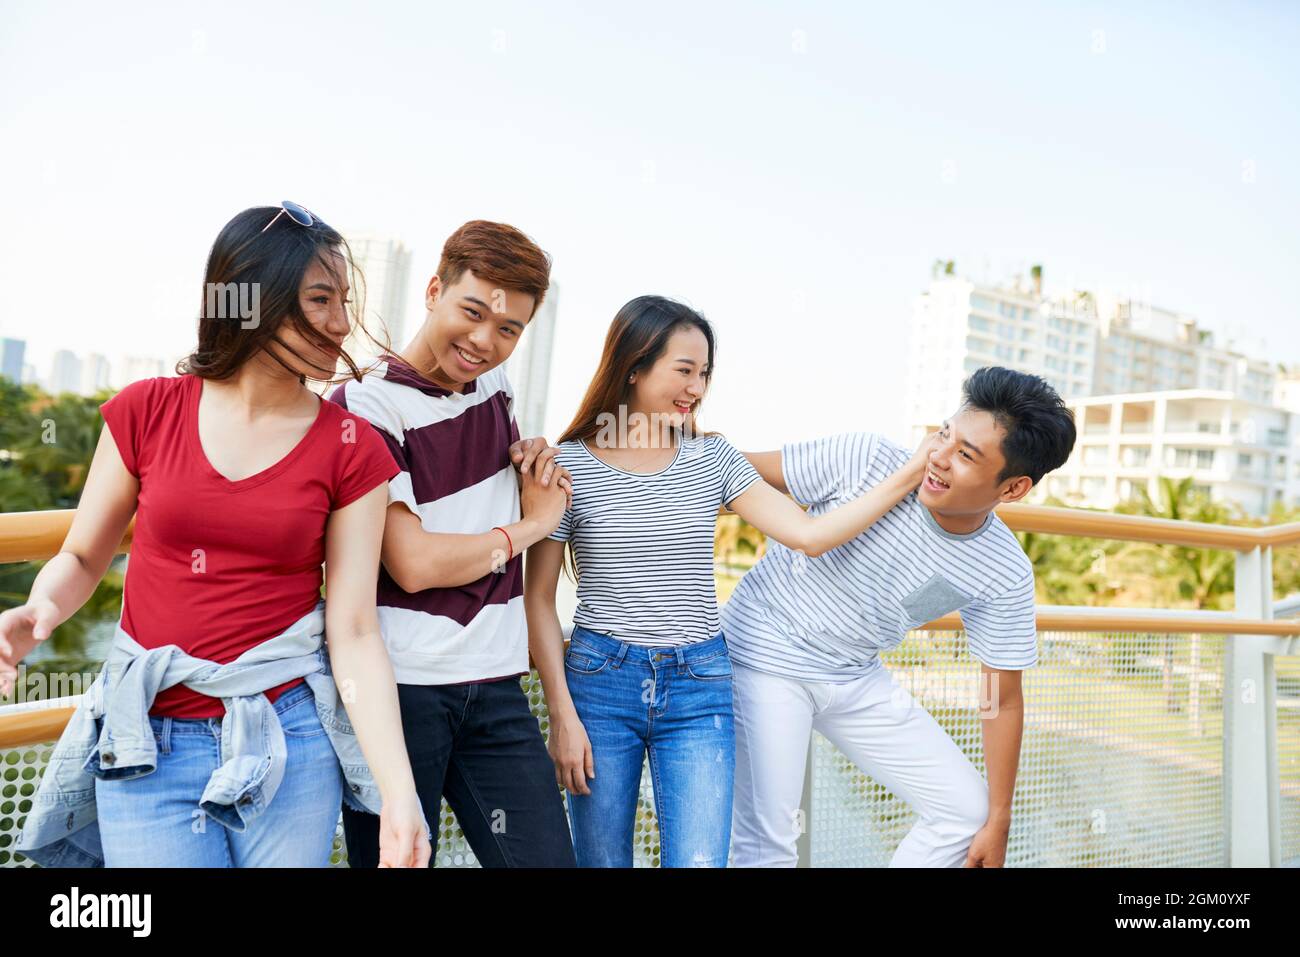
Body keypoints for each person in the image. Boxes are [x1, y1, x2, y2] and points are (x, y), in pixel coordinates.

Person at [0, 202, 430, 868]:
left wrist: (398, 793)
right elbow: (84, 553)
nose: (342, 322)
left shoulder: (352, 447)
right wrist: (40, 609)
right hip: (145, 745)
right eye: (321, 299)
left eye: (345, 299)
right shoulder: (147, 410)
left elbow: (354, 630)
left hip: (288, 741)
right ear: (252, 299)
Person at [524, 295, 934, 867]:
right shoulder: (568, 466)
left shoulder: (713, 457)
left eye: (705, 374)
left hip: (700, 683)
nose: (696, 387)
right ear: (634, 366)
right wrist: (561, 716)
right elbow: (538, 600)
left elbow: (809, 534)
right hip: (599, 682)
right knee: (600, 862)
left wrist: (910, 474)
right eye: (684, 370)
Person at [724, 365, 1077, 867]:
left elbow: (1002, 697)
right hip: (764, 655)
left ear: (1013, 489)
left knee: (965, 812)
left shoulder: (1003, 569)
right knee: (768, 845)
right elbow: (728, 471)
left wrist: (1000, 818)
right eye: (944, 435)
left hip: (854, 675)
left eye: (965, 456)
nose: (940, 458)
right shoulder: (867, 459)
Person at [328, 219, 577, 867]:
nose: (484, 341)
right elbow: (412, 563)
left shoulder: (495, 388)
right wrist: (533, 524)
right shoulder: (366, 404)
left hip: (495, 681)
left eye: (509, 330)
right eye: (472, 312)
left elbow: (488, 495)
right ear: (434, 288)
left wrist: (532, 463)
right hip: (401, 692)